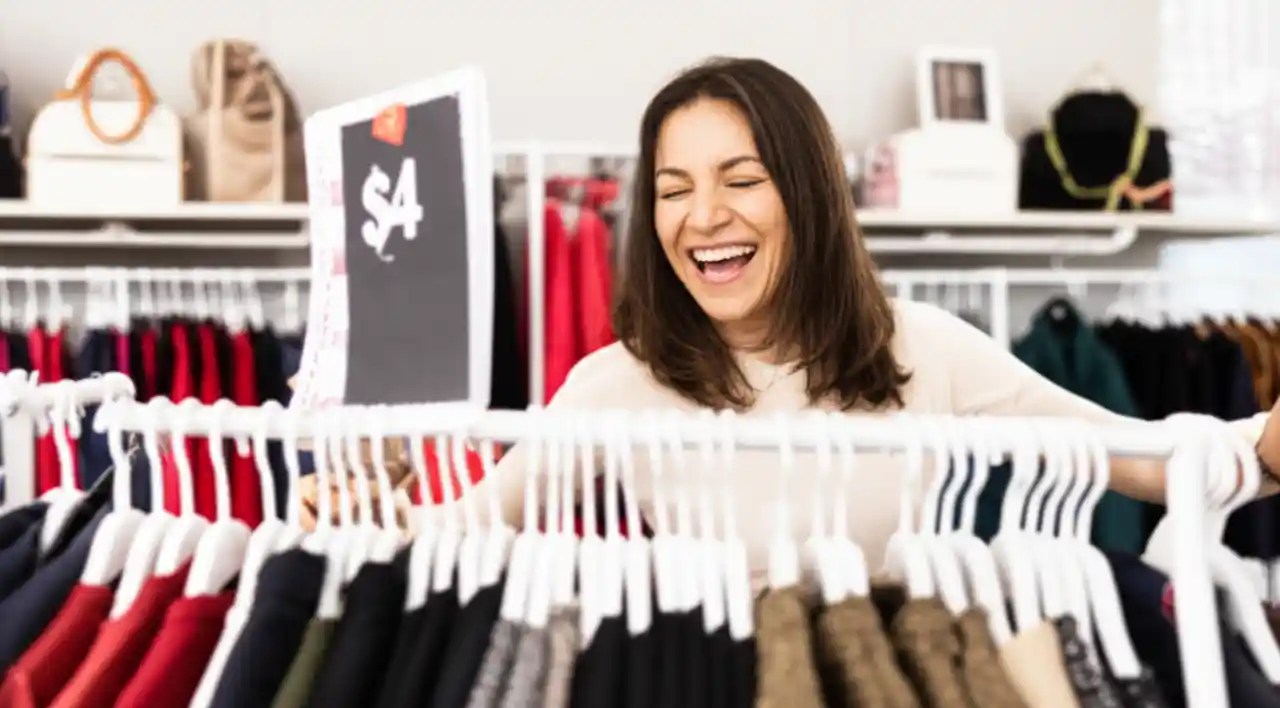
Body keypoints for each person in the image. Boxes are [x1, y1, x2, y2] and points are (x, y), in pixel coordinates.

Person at [306, 57, 1280, 584]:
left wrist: (1262, 449)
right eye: (673, 189)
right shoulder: (617, 384)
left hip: (888, 684)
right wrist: (363, 516)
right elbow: (462, 529)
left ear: (806, 195)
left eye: (740, 179)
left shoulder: (919, 350)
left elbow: (1143, 460)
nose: (702, 217)